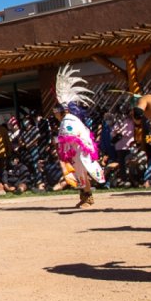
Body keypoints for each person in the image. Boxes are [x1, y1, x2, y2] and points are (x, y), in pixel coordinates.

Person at [53, 65, 105, 209]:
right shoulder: (69, 119)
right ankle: (85, 197)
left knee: (82, 173)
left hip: (79, 152)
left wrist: (59, 145)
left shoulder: (69, 119)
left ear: (61, 112)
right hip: (76, 152)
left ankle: (88, 198)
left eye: (56, 112)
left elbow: (69, 137)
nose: (55, 115)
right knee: (79, 174)